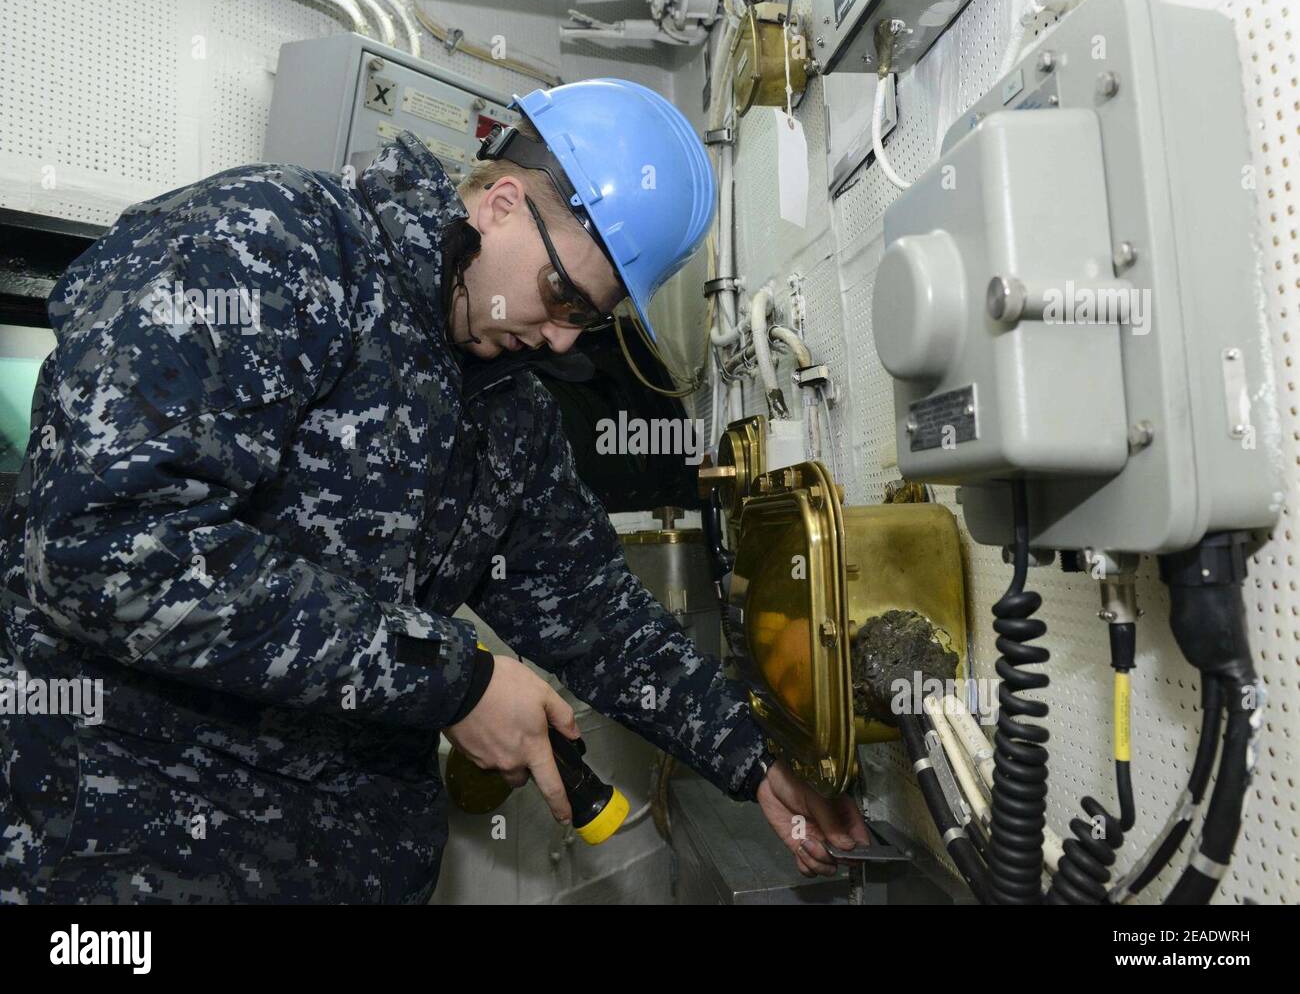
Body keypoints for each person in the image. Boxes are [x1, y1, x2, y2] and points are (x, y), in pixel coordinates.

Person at [0, 78, 867, 904]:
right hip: (126, 855)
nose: (563, 338)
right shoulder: (271, 245)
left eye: (589, 319)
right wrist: (454, 682)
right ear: (499, 203)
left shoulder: (510, 411)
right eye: (561, 293)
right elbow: (101, 544)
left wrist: (756, 762)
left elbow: (597, 614)